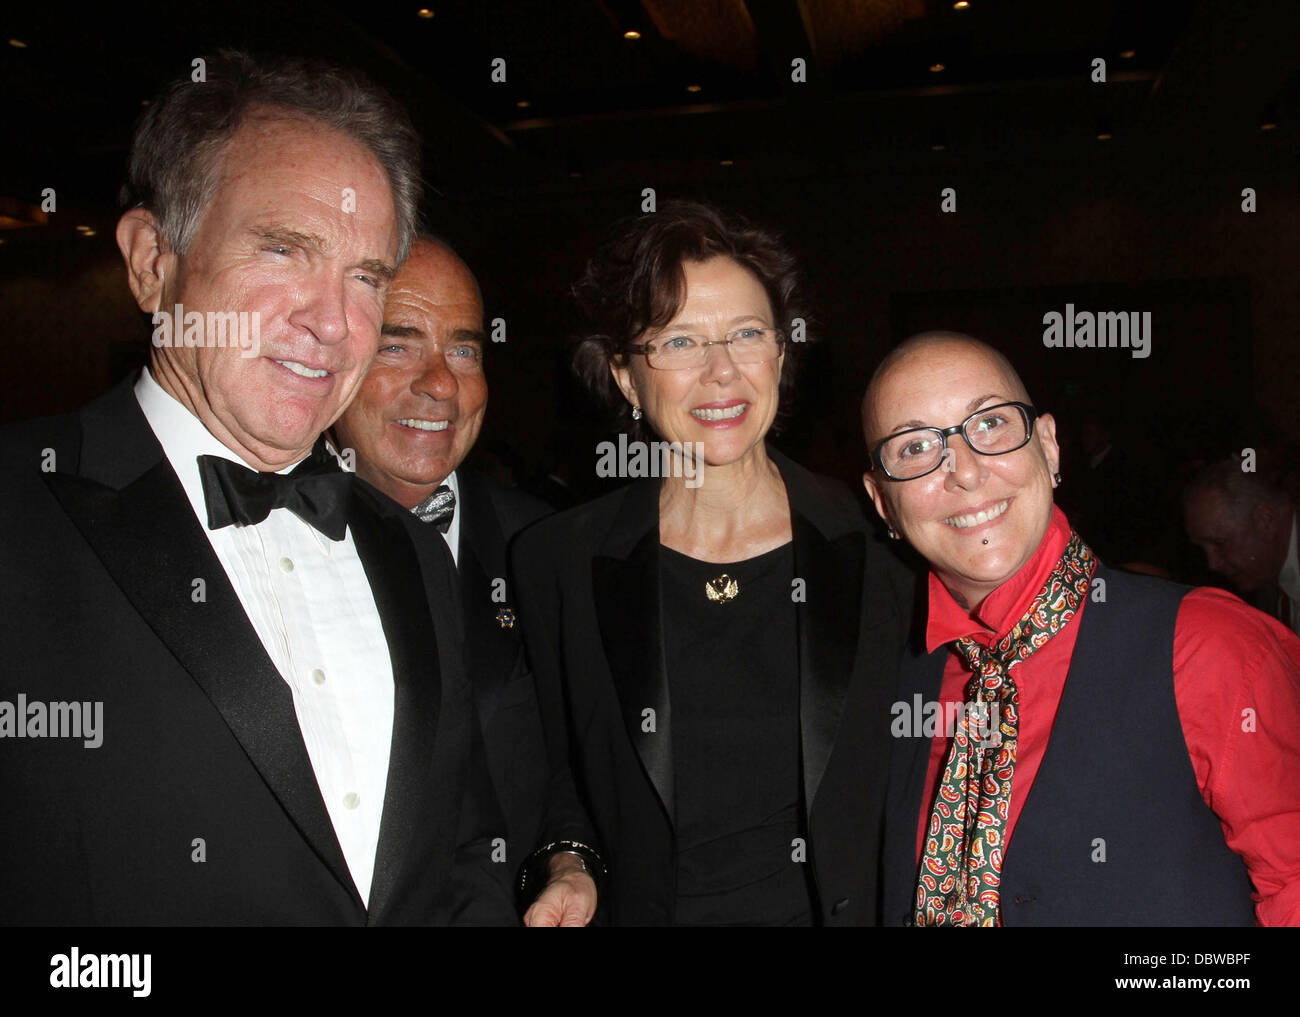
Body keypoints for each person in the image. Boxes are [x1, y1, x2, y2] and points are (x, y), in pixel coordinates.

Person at [0, 51, 513, 924]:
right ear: (154, 264)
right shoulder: (20, 512)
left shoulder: (415, 552)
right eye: (284, 250)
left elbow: (462, 851)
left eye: (366, 278)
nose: (333, 322)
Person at [511, 201, 914, 925]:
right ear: (625, 377)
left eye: (746, 334)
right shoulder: (558, 560)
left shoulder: (880, 543)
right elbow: (562, 767)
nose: (721, 371)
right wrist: (569, 862)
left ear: (782, 355)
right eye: (678, 342)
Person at [860, 331, 1300, 926]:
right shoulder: (894, 677)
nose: (963, 472)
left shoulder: (1212, 647)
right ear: (883, 502)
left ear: (1049, 445)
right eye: (914, 448)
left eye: (989, 424)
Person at [330, 236, 599, 925]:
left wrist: (568, 857)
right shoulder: (266, 533)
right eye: (399, 344)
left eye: (465, 350)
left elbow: (584, 750)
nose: (442, 382)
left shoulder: (545, 544)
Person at [1184, 454, 1300, 634]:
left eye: (1219, 543)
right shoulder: (1270, 587)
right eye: (1202, 549)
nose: (1213, 564)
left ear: (1265, 520)